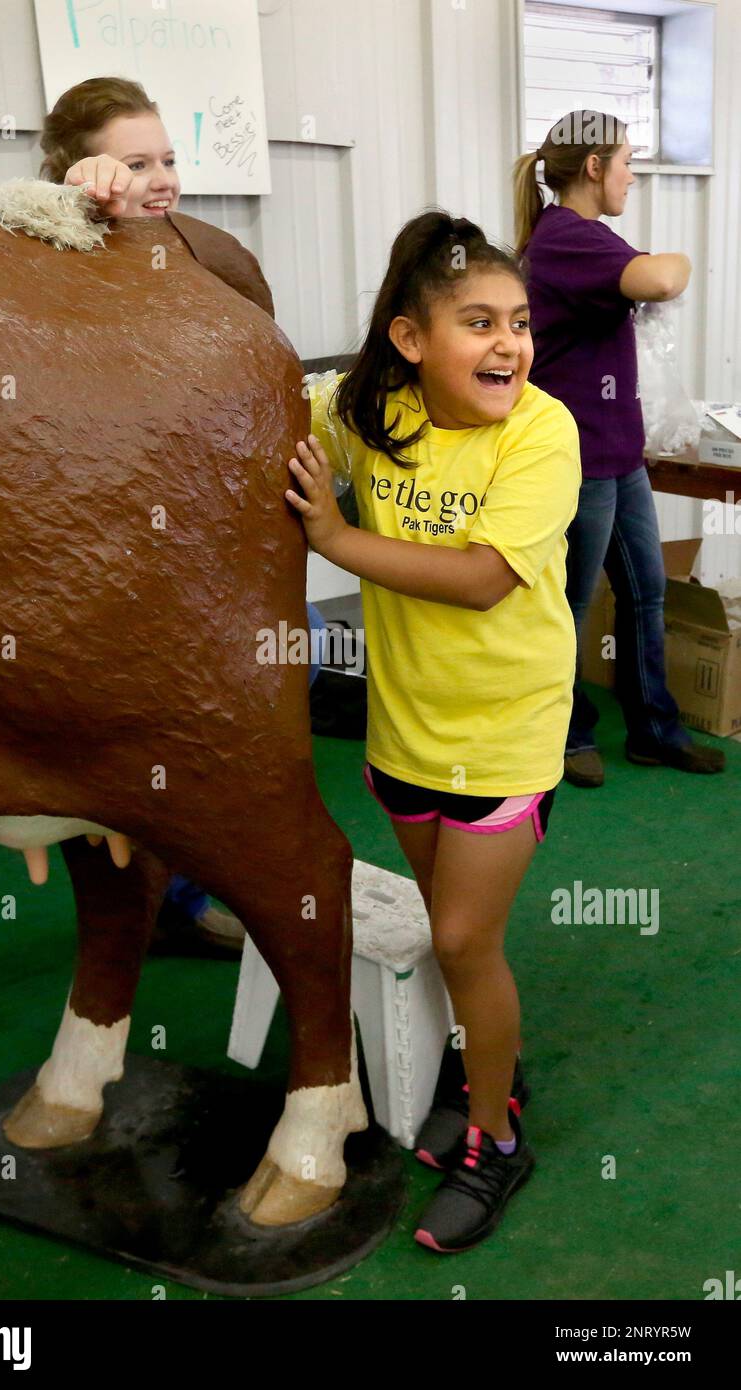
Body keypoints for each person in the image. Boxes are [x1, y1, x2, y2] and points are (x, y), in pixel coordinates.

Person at [290, 211, 581, 1252]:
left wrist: (337, 536)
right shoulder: (367, 409)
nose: (509, 343)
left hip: (509, 734)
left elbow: (482, 579)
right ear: (412, 339)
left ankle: (498, 1139)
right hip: (405, 732)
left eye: (519, 321)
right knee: (450, 929)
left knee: (463, 938)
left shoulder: (543, 430)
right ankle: (488, 1067)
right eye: (478, 322)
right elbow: (268, 415)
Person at [38, 78, 329, 954]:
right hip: (109, 554)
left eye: (167, 158)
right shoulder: (54, 253)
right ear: (79, 171)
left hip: (199, 545)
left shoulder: (199, 259)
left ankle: (180, 880)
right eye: (134, 162)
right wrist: (71, 204)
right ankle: (154, 890)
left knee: (289, 653)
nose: (161, 178)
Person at [513, 111, 724, 788]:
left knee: (644, 590)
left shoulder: (586, 237)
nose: (632, 175)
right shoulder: (566, 240)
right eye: (627, 161)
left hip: (616, 451)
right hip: (574, 456)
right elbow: (661, 279)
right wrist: (684, 258)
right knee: (570, 603)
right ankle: (565, 735)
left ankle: (652, 730)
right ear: (595, 166)